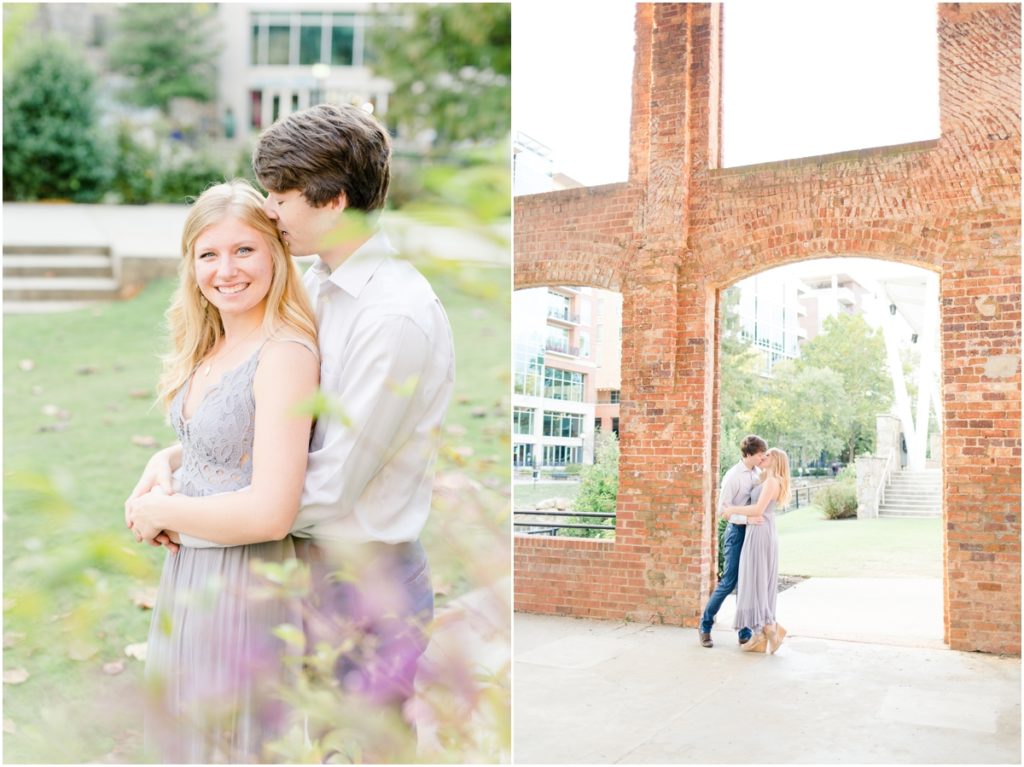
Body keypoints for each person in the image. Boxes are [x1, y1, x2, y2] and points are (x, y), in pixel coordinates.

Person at [127, 104, 455, 747]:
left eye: (280, 197)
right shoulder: (318, 283)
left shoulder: (393, 317)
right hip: (289, 572)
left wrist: (180, 510)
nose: (269, 211)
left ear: (331, 201)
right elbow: (268, 429)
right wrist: (175, 461)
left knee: (357, 751)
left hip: (363, 585)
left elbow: (323, 486)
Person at [127, 179, 321, 761]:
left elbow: (271, 512)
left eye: (244, 250)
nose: (226, 270)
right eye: (208, 254)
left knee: (233, 746)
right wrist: (163, 460)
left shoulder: (285, 353)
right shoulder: (212, 343)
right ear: (191, 265)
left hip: (243, 582)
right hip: (189, 581)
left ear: (275, 255)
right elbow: (225, 439)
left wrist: (161, 511)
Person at [698, 435, 767, 648]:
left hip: (753, 533)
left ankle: (744, 631)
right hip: (736, 532)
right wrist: (746, 519)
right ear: (749, 454)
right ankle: (705, 626)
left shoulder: (758, 473)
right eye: (760, 454)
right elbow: (723, 511)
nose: (763, 457)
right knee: (728, 582)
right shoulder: (733, 476)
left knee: (746, 584)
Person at [722, 447, 791, 654]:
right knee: (756, 578)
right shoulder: (765, 479)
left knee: (756, 579)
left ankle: (769, 627)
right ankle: (761, 635)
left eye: (767, 455)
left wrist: (731, 509)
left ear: (775, 460)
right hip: (760, 530)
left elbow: (758, 510)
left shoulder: (771, 482)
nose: (763, 457)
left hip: (760, 531)